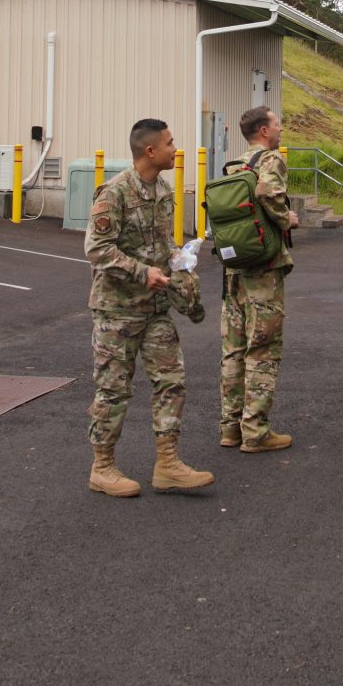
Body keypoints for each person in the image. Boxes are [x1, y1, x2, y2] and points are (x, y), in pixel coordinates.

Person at [84, 117, 215, 498]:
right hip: (117, 312)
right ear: (150, 150)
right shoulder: (115, 193)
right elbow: (97, 250)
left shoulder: (162, 188)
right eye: (171, 143)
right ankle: (102, 467)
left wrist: (178, 258)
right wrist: (144, 273)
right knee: (113, 390)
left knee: (172, 381)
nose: (177, 149)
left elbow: (159, 243)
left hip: (156, 308)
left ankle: (168, 464)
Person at [218, 106, 298, 452]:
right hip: (264, 269)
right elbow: (269, 194)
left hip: (235, 268)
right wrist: (287, 219)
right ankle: (256, 431)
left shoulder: (234, 164)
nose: (281, 129)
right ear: (264, 131)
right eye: (277, 123)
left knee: (233, 349)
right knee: (263, 348)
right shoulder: (270, 160)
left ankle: (230, 427)